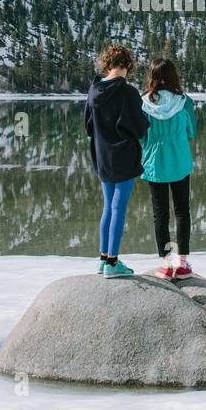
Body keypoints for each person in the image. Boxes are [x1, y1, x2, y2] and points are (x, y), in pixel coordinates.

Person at [84, 44, 149, 278]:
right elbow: (139, 128)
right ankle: (113, 262)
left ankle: (103, 259)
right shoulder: (128, 92)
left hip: (101, 155)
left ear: (107, 64)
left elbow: (88, 126)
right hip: (124, 156)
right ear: (127, 65)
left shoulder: (94, 90)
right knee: (118, 208)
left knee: (107, 208)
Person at [139, 58, 196, 279]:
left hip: (155, 162)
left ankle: (165, 263)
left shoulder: (143, 103)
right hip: (180, 160)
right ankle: (182, 264)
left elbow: (141, 136)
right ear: (174, 77)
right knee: (182, 211)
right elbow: (191, 131)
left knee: (159, 214)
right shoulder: (184, 101)